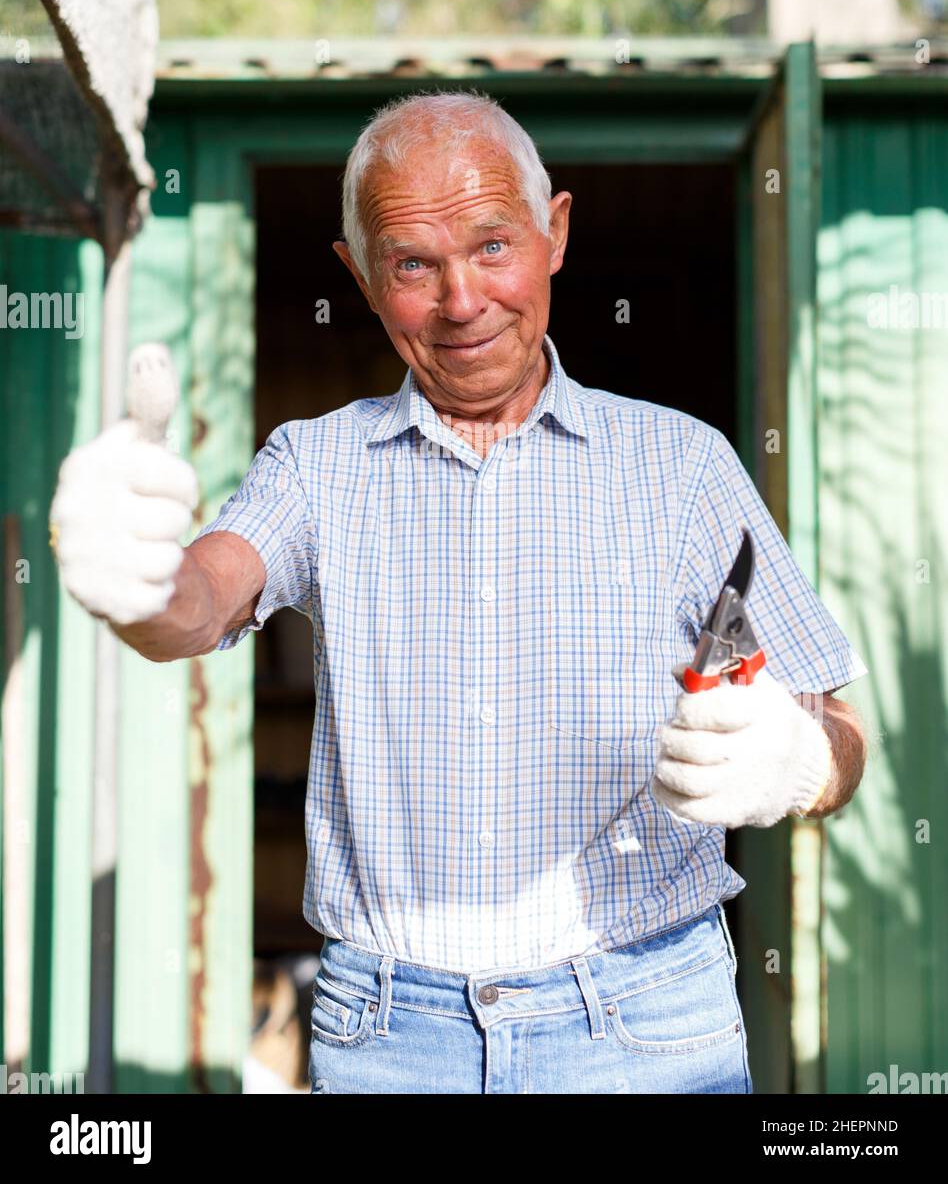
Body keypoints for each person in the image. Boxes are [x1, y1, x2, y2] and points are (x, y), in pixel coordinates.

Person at [50, 89, 868, 1095]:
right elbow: (201, 599)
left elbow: (838, 724)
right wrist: (130, 574)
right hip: (393, 1037)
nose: (463, 300)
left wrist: (796, 761)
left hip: (650, 1023)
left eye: (492, 246)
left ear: (554, 232)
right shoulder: (314, 464)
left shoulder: (684, 464)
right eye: (412, 265)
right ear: (359, 275)